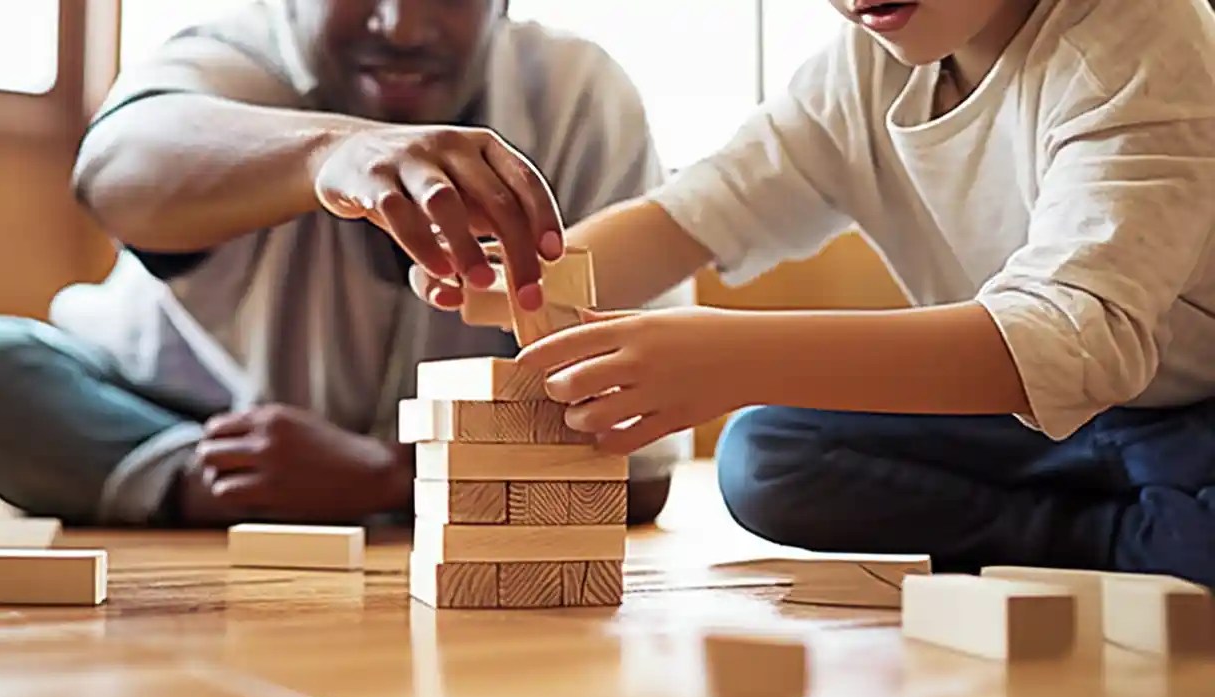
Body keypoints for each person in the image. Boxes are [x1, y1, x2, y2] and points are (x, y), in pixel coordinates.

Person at [404, 0, 1215, 587]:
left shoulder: (1141, 37)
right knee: (766, 455)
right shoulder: (863, 66)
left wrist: (735, 354)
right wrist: (506, 273)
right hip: (1034, 432)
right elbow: (697, 212)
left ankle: (1150, 538)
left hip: (1193, 421)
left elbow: (1077, 338)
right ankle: (1115, 540)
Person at [0, 0, 691, 528]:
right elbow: (112, 171)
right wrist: (333, 151)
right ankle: (214, 486)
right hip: (171, 421)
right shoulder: (231, 52)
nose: (401, 23)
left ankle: (292, 491)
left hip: (434, 457)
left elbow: (643, 464)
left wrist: (388, 473)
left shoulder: (581, 95)